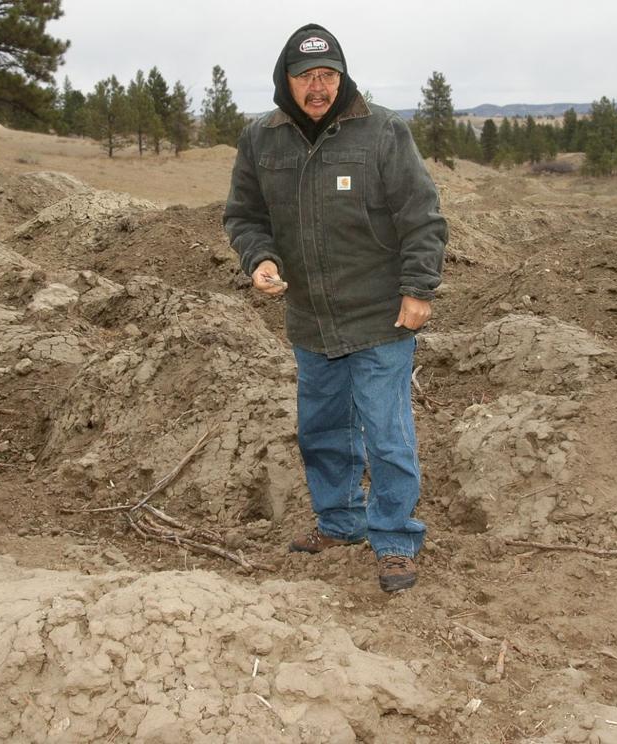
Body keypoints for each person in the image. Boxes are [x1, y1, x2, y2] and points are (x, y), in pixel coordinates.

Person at [223, 23, 447, 592]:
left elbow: (422, 216)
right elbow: (244, 216)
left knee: (386, 434)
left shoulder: (382, 133)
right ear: (287, 81)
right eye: (305, 76)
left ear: (342, 78)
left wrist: (419, 289)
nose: (317, 86)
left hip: (380, 316)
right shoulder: (262, 140)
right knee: (321, 428)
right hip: (311, 319)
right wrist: (260, 260)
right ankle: (340, 521)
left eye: (327, 75)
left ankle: (394, 539)